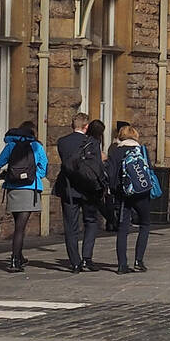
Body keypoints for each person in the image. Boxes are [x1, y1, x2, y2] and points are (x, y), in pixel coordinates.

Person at [0, 119, 47, 273]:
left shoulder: (11, 146)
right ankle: (15, 260)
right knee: (20, 228)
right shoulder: (37, 146)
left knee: (17, 225)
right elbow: (44, 167)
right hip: (30, 189)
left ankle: (19, 256)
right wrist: (34, 176)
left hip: (13, 188)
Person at [54, 112, 105, 273]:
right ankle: (87, 258)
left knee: (71, 226)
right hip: (89, 189)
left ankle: (75, 262)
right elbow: (97, 167)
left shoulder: (62, 142)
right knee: (90, 222)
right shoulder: (92, 142)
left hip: (69, 188)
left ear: (72, 125)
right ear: (87, 126)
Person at [106, 121, 157, 274]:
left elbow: (112, 174)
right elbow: (148, 171)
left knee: (122, 229)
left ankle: (122, 264)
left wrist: (114, 191)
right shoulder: (141, 150)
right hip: (142, 193)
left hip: (124, 194)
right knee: (145, 224)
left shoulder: (115, 151)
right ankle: (138, 261)